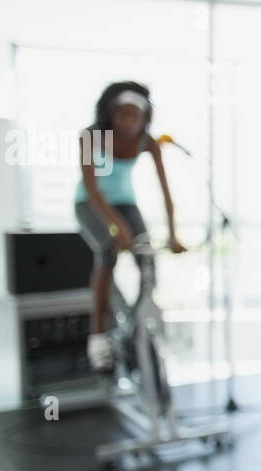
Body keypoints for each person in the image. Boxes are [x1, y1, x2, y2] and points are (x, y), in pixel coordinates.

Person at [75, 81, 186, 372]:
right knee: (107, 251)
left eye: (134, 115)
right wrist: (116, 227)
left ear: (144, 116)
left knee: (147, 257)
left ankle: (139, 323)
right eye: (122, 114)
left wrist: (174, 234)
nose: (128, 121)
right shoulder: (90, 137)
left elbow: (166, 191)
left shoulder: (147, 142)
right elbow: (92, 186)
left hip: (126, 203)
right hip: (91, 203)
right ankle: (98, 337)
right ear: (111, 113)